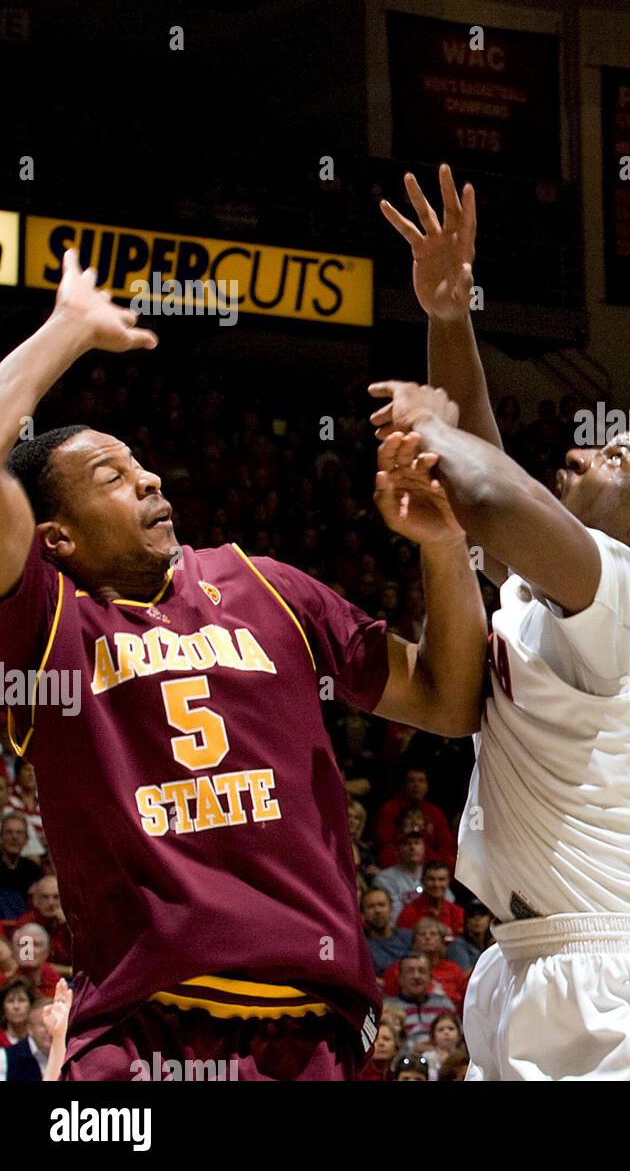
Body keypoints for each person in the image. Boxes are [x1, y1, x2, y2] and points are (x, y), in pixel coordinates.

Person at [0, 251, 488, 1079]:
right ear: (57, 538)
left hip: (303, 1031)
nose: (148, 476)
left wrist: (443, 547)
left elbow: (446, 700)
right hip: (136, 1032)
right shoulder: (44, 619)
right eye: (110, 475)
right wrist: (68, 329)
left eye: (141, 463)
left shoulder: (264, 584)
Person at [369, 162, 630, 1080]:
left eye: (615, 455)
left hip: (621, 967)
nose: (578, 450)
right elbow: (492, 476)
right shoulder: (548, 593)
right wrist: (450, 316)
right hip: (519, 962)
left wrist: (428, 428)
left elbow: (491, 488)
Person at [397, 860, 464, 936]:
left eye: (441, 879)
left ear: (448, 882)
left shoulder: (457, 913)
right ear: (422, 881)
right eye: (431, 879)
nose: (436, 884)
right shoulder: (409, 913)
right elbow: (403, 944)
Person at [362, 886, 412, 977]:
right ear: (363, 914)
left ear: (391, 909)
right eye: (371, 907)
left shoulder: (408, 937)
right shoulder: (362, 947)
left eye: (381, 905)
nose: (377, 910)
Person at [0, 994, 52, 1080]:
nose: (50, 1030)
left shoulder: (72, 1055)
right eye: (44, 1025)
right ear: (29, 1029)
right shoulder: (4, 1058)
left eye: (55, 1023)